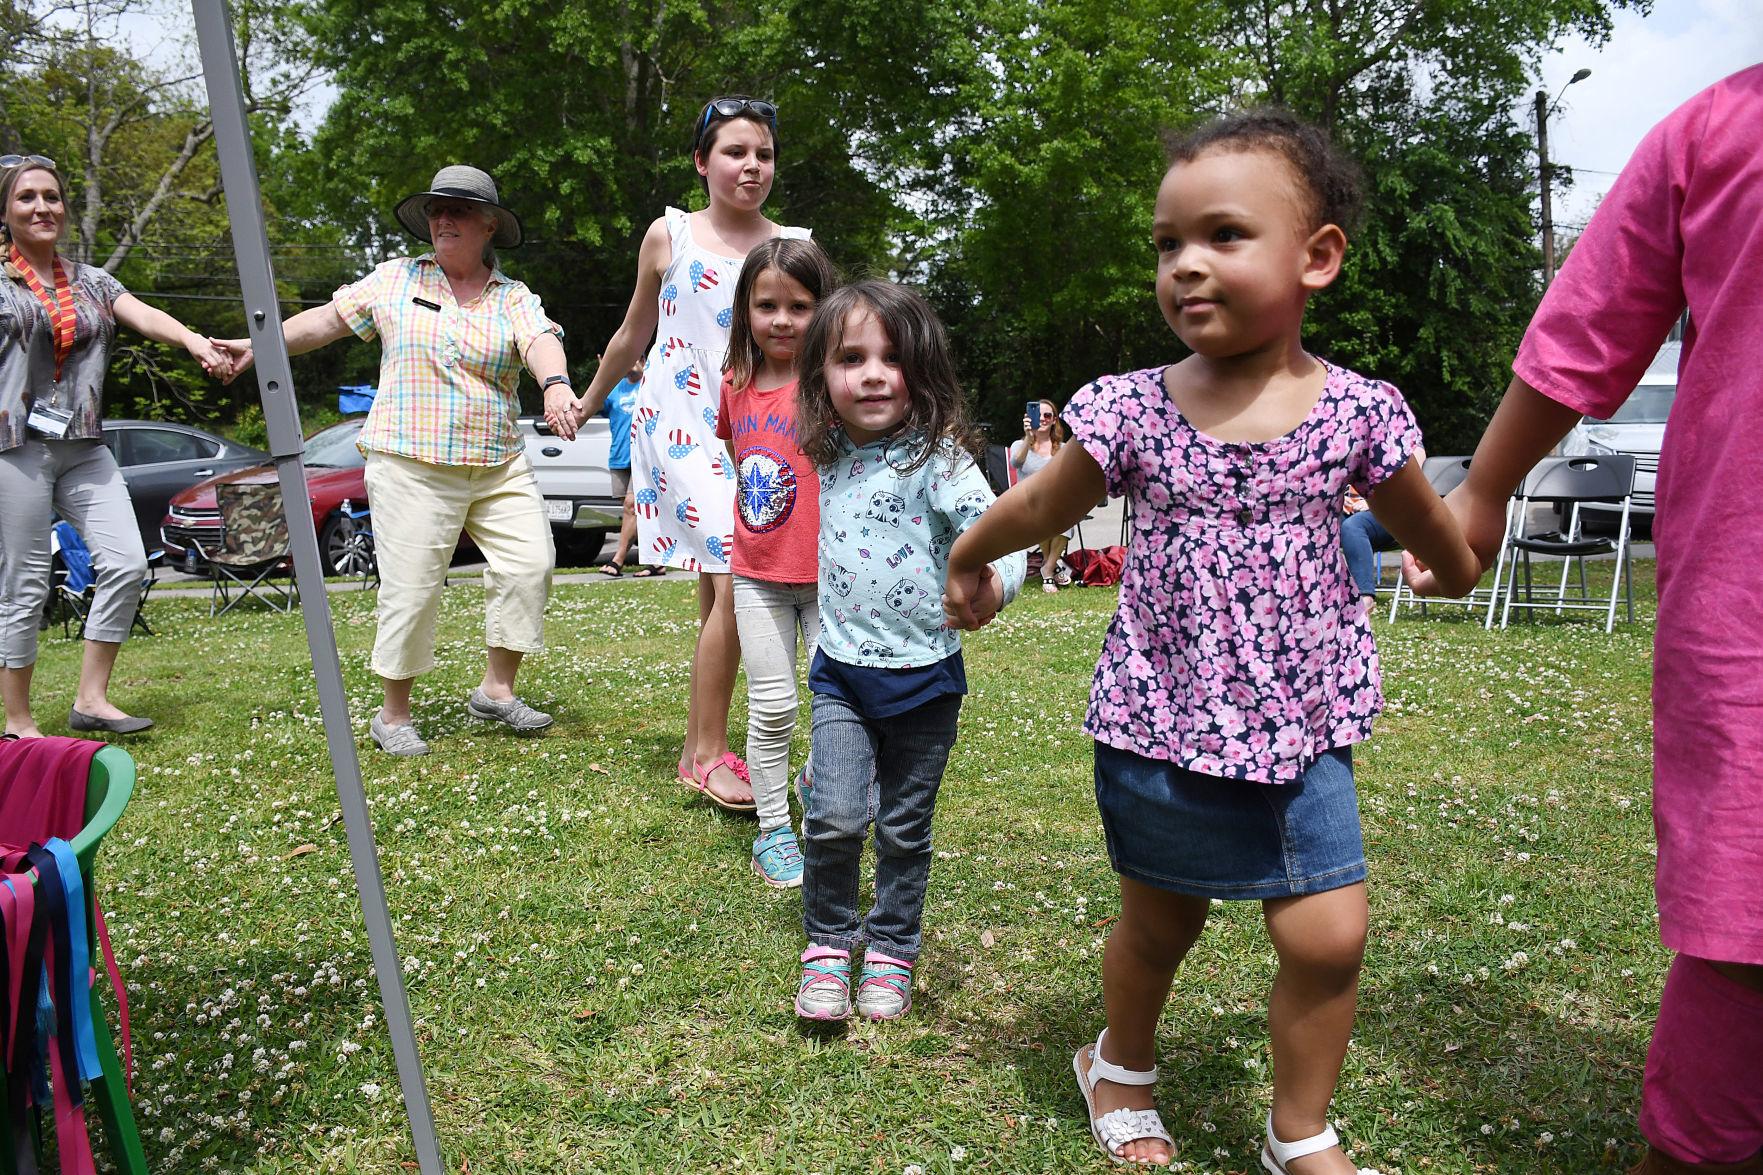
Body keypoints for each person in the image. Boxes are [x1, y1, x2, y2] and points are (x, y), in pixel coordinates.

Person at [944, 111, 1477, 1168]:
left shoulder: (1359, 414)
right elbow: (1041, 504)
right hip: (1161, 719)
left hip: (1302, 730)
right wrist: (967, 550)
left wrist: (1443, 567)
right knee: (1160, 925)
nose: (1185, 264)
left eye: (1222, 235)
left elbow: (1439, 541)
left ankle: (1298, 1128)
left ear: (1315, 256)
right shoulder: (1128, 412)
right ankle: (1119, 1064)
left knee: (1327, 936)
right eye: (1165, 243)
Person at [1405, 66, 1763, 1175]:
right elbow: (1581, 330)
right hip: (1743, 603)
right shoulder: (1718, 130)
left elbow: (1578, 331)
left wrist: (1482, 491)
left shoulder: (1718, 123)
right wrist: (1480, 491)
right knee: (1741, 920)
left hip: (1737, 601)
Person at [221, 165, 572, 756]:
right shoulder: (394, 279)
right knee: (412, 588)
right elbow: (326, 322)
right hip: (410, 459)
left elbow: (539, 339)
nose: (443, 219)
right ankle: (393, 714)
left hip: (496, 460)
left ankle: (496, 689)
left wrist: (556, 383)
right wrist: (260, 346)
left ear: (488, 225)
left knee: (530, 565)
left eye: (458, 210)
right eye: (436, 209)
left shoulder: (512, 297)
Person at [790, 281, 1026, 1021]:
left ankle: (889, 948)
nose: (871, 373)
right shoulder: (825, 457)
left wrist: (994, 584)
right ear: (822, 377)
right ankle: (828, 941)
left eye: (891, 358)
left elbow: (1002, 531)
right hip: (842, 676)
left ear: (919, 370)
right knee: (833, 819)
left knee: (901, 828)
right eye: (850, 358)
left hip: (925, 683)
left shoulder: (940, 461)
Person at [570, 96, 810, 809]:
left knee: (719, 585)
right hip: (680, 425)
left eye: (763, 154)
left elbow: (815, 342)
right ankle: (702, 753)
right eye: (735, 152)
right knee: (742, 571)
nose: (751, 166)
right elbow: (630, 334)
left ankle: (711, 740)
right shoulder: (668, 234)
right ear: (702, 162)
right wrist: (586, 401)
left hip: (761, 429)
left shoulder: (794, 243)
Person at [0, 154, 232, 739]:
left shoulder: (92, 281)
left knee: (128, 562)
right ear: (5, 212)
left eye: (51, 196)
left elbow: (144, 314)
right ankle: (19, 722)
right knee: (26, 581)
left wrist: (192, 341)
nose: (42, 207)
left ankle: (92, 699)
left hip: (83, 442)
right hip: (14, 447)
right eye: (27, 197)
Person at [714, 237, 839, 879]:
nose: (783, 320)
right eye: (767, 305)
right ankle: (772, 827)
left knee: (832, 701)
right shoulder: (735, 383)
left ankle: (822, 787)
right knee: (772, 704)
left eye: (800, 305)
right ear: (746, 310)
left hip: (828, 580)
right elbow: (744, 458)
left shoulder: (833, 383)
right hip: (757, 575)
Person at [1338, 443, 1424, 606]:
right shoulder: (1346, 442)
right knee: (1312, 525)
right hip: (1348, 510)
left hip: (1390, 514)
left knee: (1353, 526)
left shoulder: (1410, 446)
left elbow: (1409, 484)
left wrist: (1372, 504)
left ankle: (1364, 597)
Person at [1010, 397, 1077, 592]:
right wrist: (1028, 437)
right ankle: (1051, 565)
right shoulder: (1019, 445)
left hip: (1057, 505)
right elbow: (1015, 463)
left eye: (1047, 415)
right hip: (1029, 506)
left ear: (1055, 420)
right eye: (1038, 415)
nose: (1043, 419)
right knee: (1049, 514)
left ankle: (1047, 567)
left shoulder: (1063, 449)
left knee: (1066, 515)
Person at [597, 355, 645, 576]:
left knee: (631, 505)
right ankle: (655, 561)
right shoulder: (616, 389)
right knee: (634, 513)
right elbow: (598, 405)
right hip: (618, 456)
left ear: (641, 360)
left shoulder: (649, 384)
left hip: (642, 457)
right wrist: (605, 377)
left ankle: (618, 560)